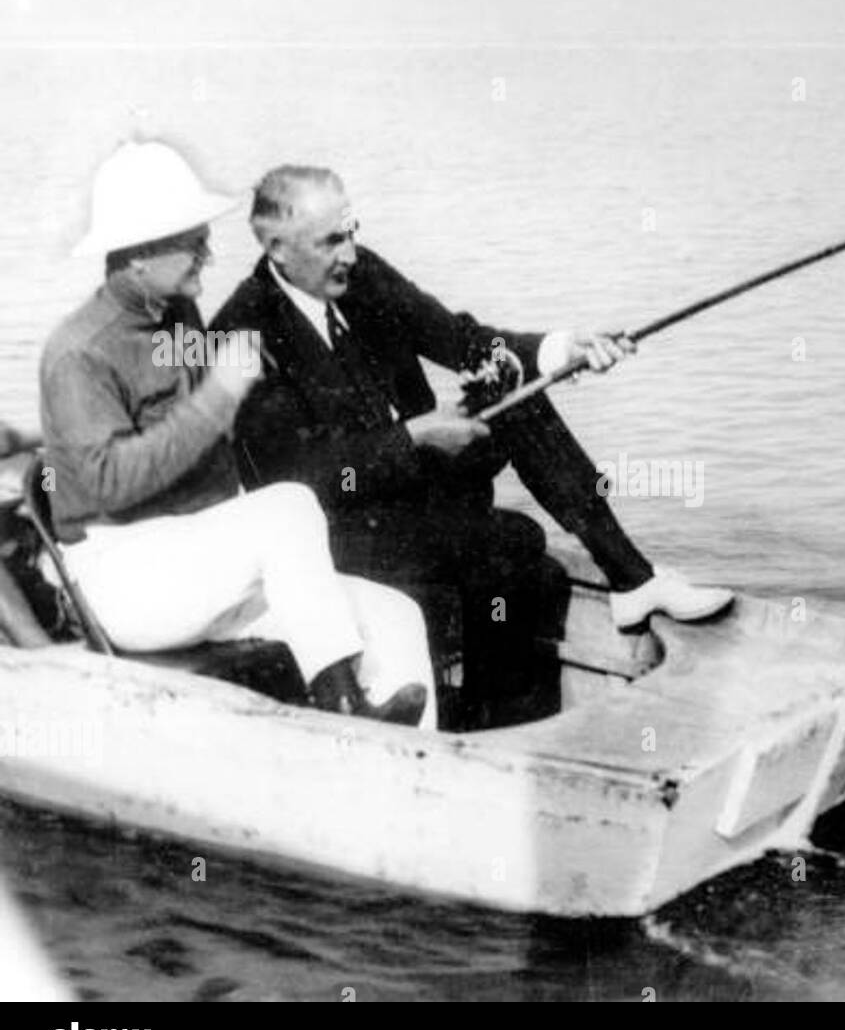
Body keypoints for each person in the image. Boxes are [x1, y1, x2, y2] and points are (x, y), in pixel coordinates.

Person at [213, 165, 733, 719]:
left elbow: (460, 339)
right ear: (277, 246)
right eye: (332, 241)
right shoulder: (241, 331)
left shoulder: (360, 275)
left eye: (352, 231)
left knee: (507, 376)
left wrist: (565, 350)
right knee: (517, 550)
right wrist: (417, 436)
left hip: (411, 486)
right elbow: (299, 482)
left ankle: (631, 578)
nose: (351, 253)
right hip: (341, 529)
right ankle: (486, 726)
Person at [38, 141, 433, 726]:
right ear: (139, 255)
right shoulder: (78, 352)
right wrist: (219, 397)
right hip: (125, 578)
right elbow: (106, 486)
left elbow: (203, 418)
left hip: (196, 558)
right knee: (289, 508)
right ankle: (344, 708)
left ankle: (411, 782)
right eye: (192, 240)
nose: (209, 253)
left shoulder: (178, 315)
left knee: (396, 616)